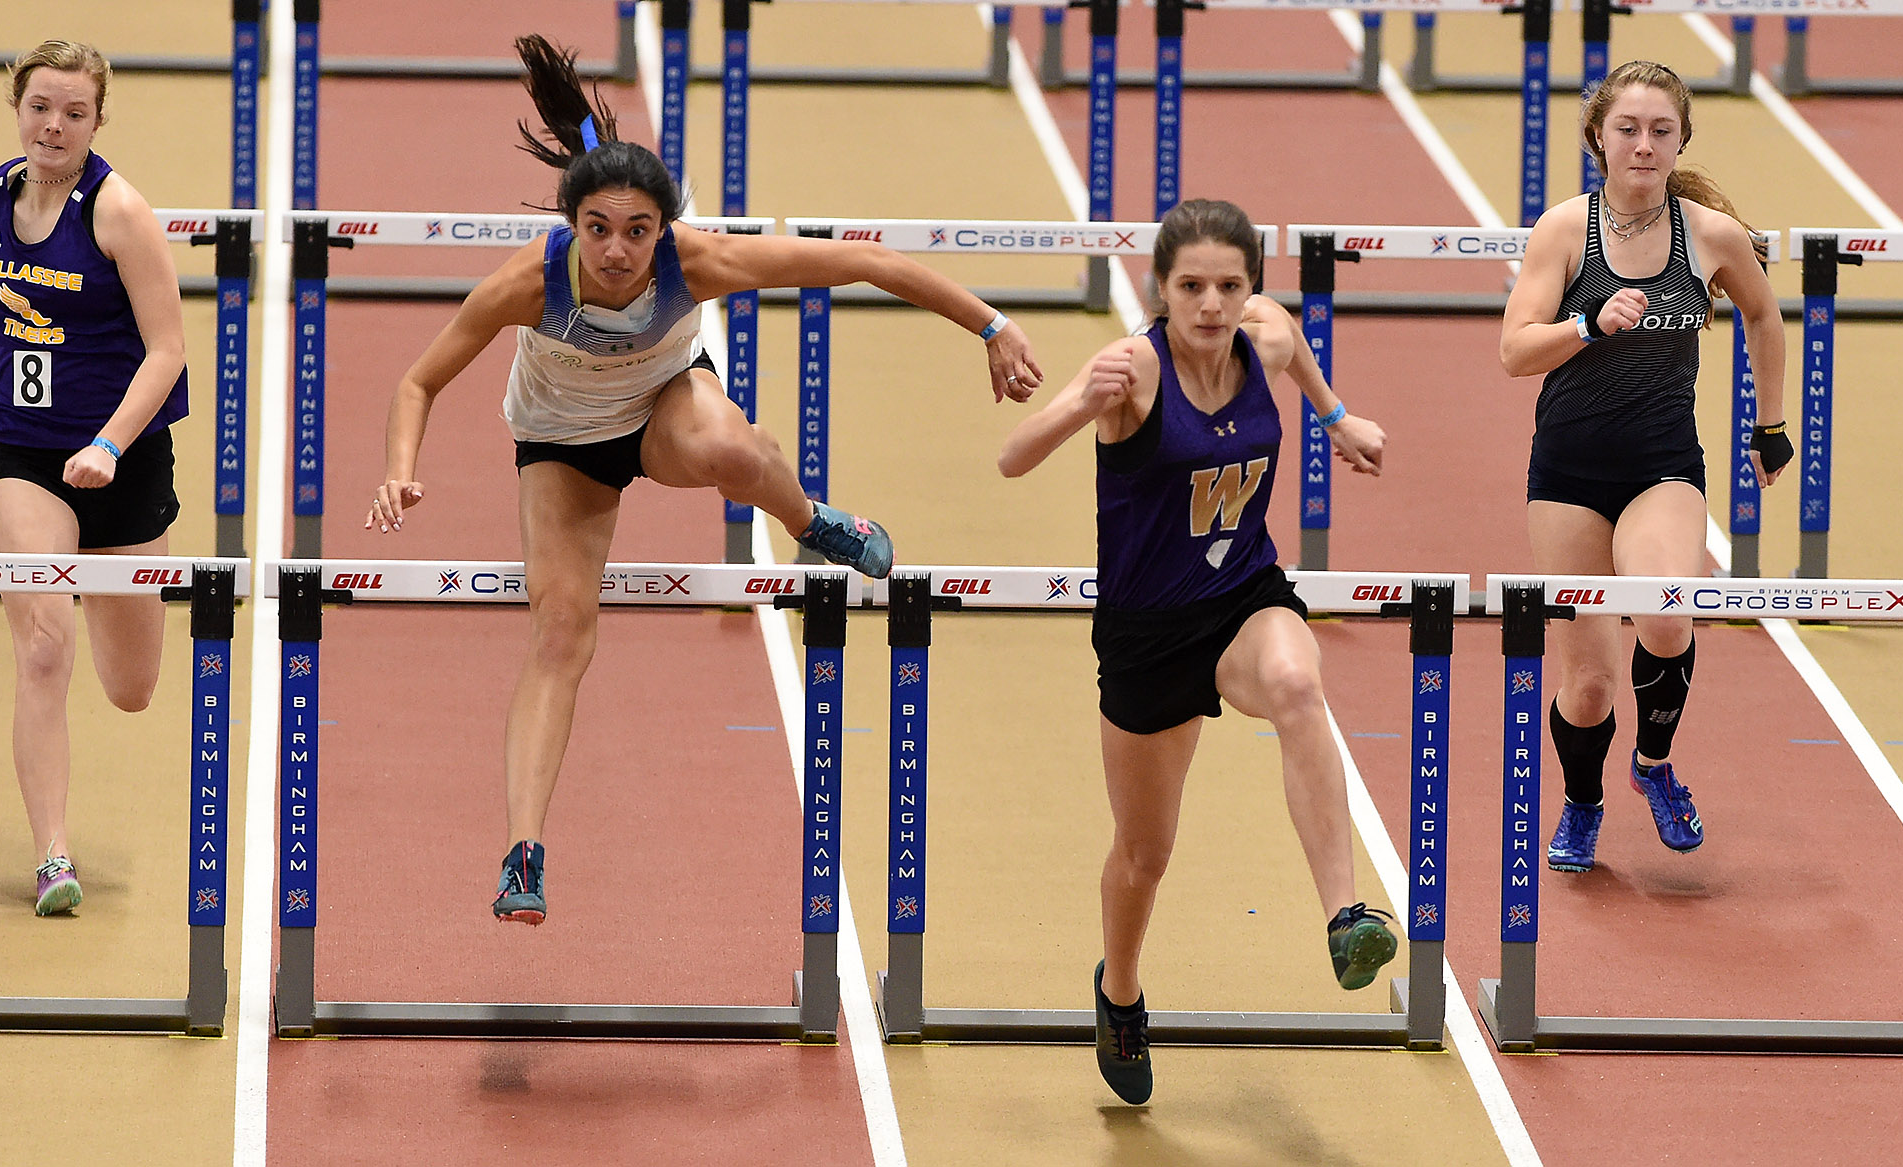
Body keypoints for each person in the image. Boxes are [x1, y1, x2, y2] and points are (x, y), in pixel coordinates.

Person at [367, 34, 1042, 927]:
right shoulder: (526, 286)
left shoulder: (700, 260)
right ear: (574, 226)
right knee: (561, 631)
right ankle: (523, 853)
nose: (617, 252)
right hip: (563, 449)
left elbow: (866, 261)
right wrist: (399, 472)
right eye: (600, 231)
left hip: (663, 411)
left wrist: (991, 324)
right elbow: (418, 380)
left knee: (733, 447)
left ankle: (810, 519)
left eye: (638, 232)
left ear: (663, 228)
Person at [998, 198, 1393, 1105]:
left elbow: (1308, 376)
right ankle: (1121, 990)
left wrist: (1341, 425)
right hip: (1147, 630)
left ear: (1251, 287)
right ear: (1161, 290)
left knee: (1298, 681)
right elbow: (1014, 458)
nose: (1212, 305)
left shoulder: (1272, 338)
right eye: (1191, 287)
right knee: (1145, 852)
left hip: (1242, 594)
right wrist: (1080, 407)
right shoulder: (1132, 368)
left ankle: (1344, 914)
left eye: (1229, 285)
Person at [1500, 60, 1791, 875]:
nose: (1644, 144)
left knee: (1667, 620)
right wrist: (1588, 324)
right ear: (1599, 136)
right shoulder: (1564, 230)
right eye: (1628, 128)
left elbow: (1764, 315)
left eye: (1661, 130)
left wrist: (1769, 425)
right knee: (1588, 685)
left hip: (1662, 466)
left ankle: (1653, 765)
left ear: (1681, 141)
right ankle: (1584, 801)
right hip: (1567, 474)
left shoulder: (1709, 235)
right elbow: (1513, 352)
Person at [0, 41, 190, 916]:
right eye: (42, 106)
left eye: (75, 112)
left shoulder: (120, 213)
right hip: (21, 451)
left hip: (119, 455)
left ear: (97, 121)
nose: (54, 124)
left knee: (132, 687)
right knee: (42, 644)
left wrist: (110, 445)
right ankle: (53, 857)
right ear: (18, 107)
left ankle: (109, 514)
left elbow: (168, 351)